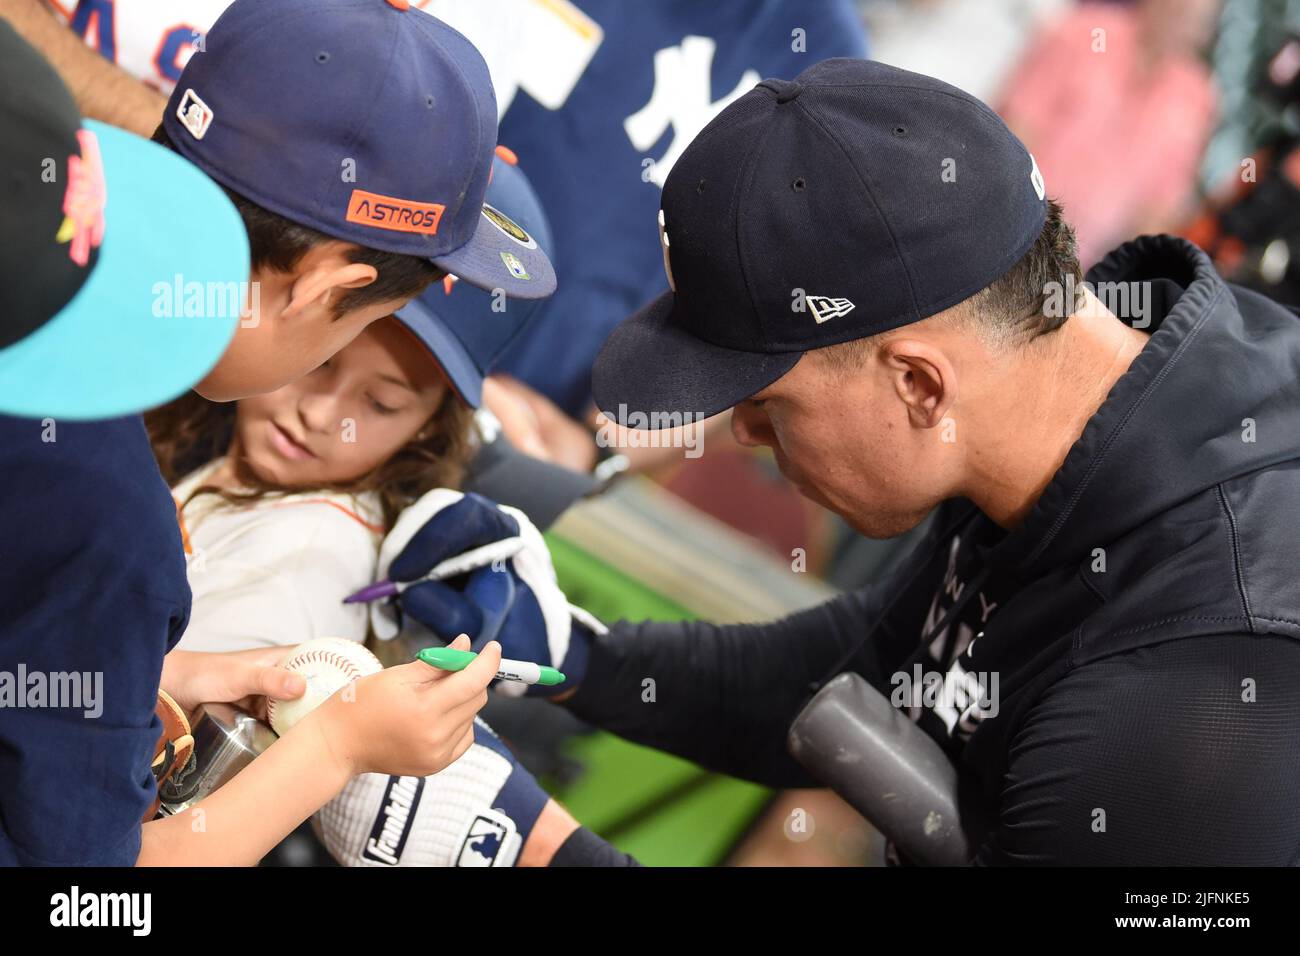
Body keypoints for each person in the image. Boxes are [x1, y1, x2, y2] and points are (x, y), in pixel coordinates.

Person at [370, 58, 1300, 865]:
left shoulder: (1191, 691)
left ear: (921, 386)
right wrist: (573, 652)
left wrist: (528, 846)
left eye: (769, 406)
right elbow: (868, 669)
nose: (745, 437)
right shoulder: (1067, 404)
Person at [0, 0, 550, 865]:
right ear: (325, 285)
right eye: (361, 327)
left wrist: (156, 677)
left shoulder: (22, 243)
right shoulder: (109, 523)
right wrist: (334, 749)